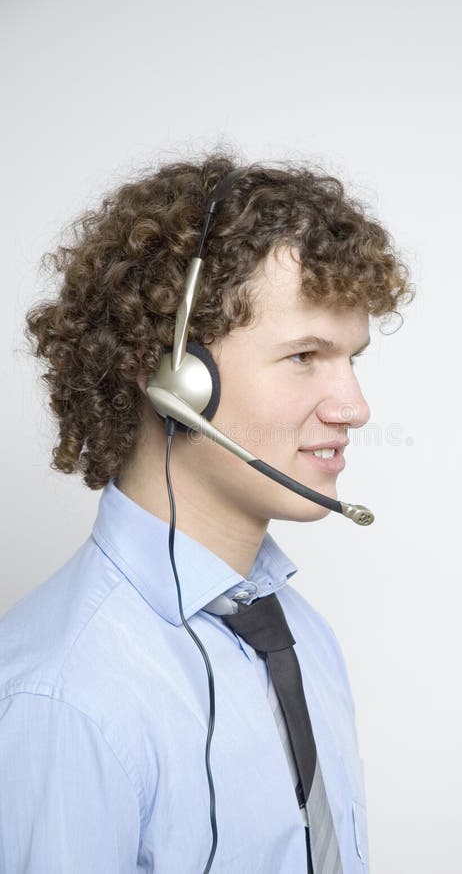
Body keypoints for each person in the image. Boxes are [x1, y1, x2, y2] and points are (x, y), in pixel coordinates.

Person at [0, 154, 414, 873]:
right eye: (304, 356)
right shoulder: (62, 697)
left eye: (352, 359)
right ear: (174, 379)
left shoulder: (300, 635)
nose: (355, 407)